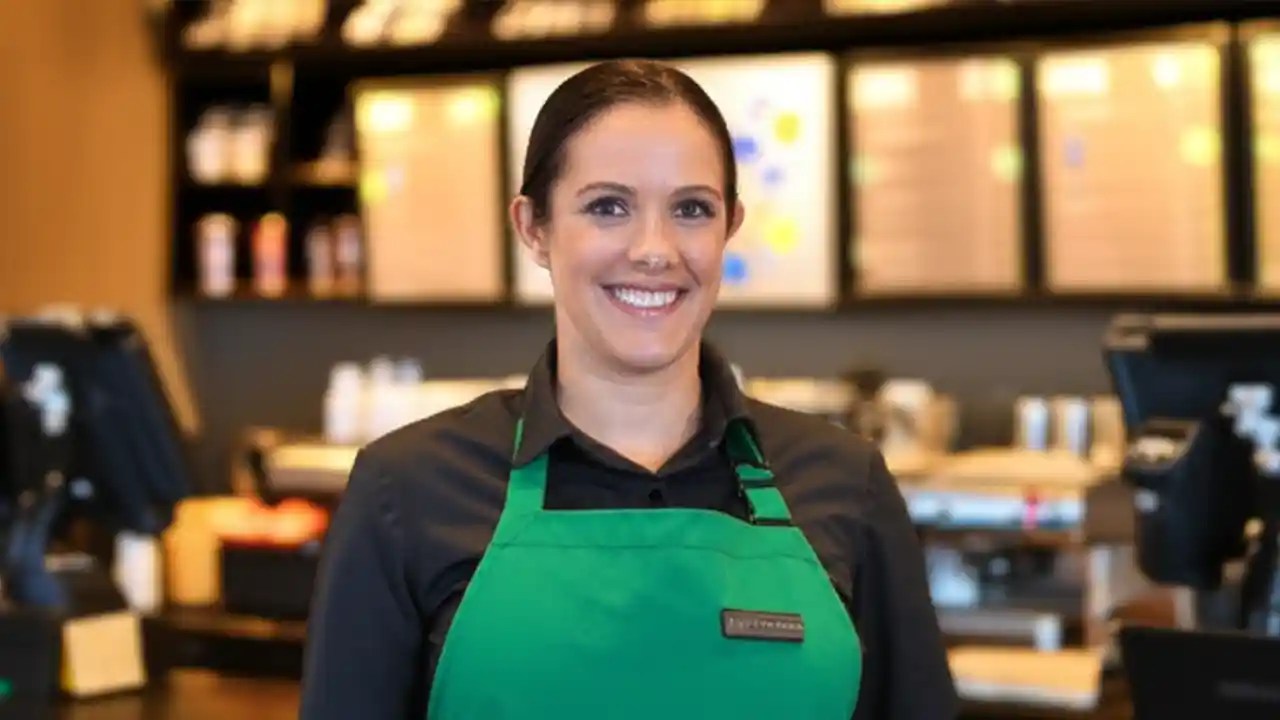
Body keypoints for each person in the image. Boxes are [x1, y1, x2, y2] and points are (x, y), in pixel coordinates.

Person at [300, 59, 957, 719]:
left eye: (691, 209)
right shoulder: (407, 491)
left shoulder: (847, 483)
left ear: (729, 225)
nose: (654, 248)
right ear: (534, 227)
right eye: (608, 206)